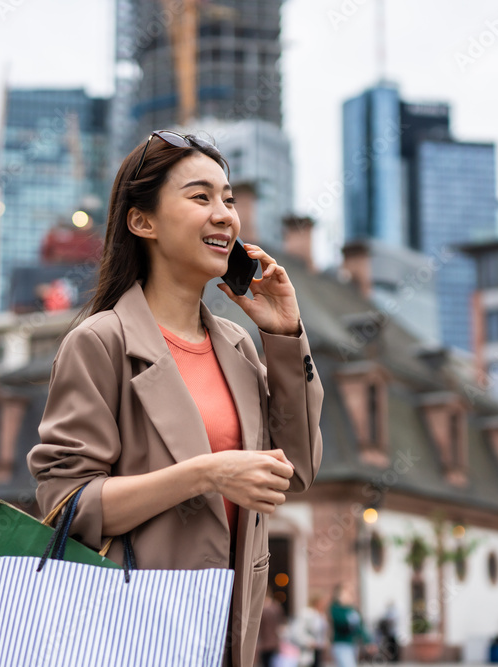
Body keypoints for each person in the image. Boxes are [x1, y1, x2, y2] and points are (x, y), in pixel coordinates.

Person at [26, 130, 324, 667]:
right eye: (200, 196)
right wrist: (206, 474)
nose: (224, 214)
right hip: (130, 636)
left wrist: (284, 336)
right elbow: (67, 506)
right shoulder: (101, 342)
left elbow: (297, 469)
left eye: (228, 199)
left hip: (229, 638)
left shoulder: (236, 346)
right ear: (143, 222)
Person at [329, 584, 372, 667]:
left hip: (352, 643)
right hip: (341, 643)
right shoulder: (336, 609)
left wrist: (367, 641)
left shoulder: (352, 609)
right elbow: (341, 623)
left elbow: (360, 627)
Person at [291, 595, 329, 667]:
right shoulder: (307, 614)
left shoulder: (321, 615)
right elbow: (296, 632)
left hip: (319, 652)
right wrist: (309, 642)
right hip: (308, 652)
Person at [257, 591, 285, 667]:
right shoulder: (276, 607)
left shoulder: (260, 609)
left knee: (266, 662)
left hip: (264, 643)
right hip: (274, 641)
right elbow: (281, 624)